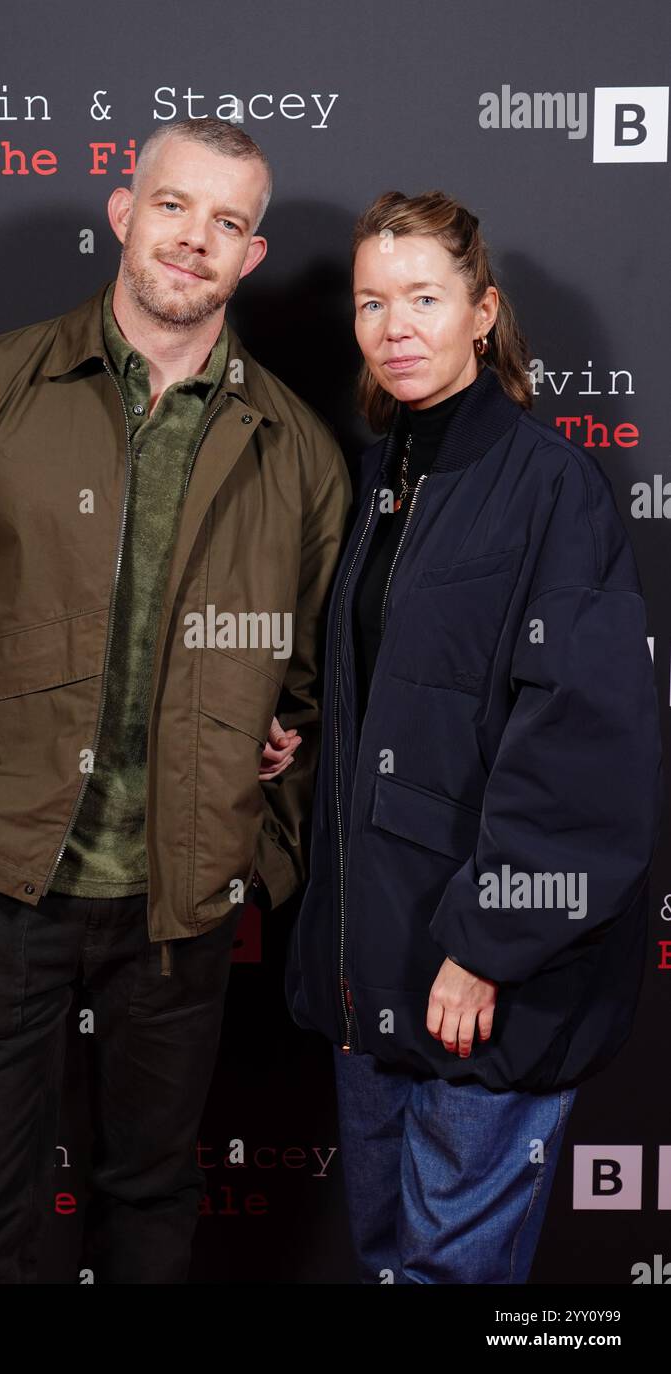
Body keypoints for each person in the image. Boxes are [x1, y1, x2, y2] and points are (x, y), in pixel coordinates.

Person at [0, 116, 351, 1284]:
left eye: (227, 222)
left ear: (250, 259)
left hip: (179, 907)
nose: (194, 239)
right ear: (123, 214)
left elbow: (317, 684)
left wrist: (260, 828)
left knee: (151, 1207)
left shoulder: (300, 454)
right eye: (174, 206)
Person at [284, 189, 664, 1284]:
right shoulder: (377, 484)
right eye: (369, 301)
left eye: (422, 297)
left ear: (481, 312)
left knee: (448, 1275)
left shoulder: (552, 489)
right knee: (388, 1263)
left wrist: (485, 945)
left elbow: (582, 749)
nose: (392, 326)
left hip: (480, 981)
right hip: (372, 969)